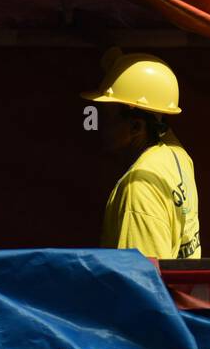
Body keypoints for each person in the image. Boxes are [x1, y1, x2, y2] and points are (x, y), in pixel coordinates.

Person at [82, 49, 201, 260]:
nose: (99, 125)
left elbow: (142, 281)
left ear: (136, 127)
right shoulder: (176, 155)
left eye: (107, 117)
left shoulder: (140, 187)